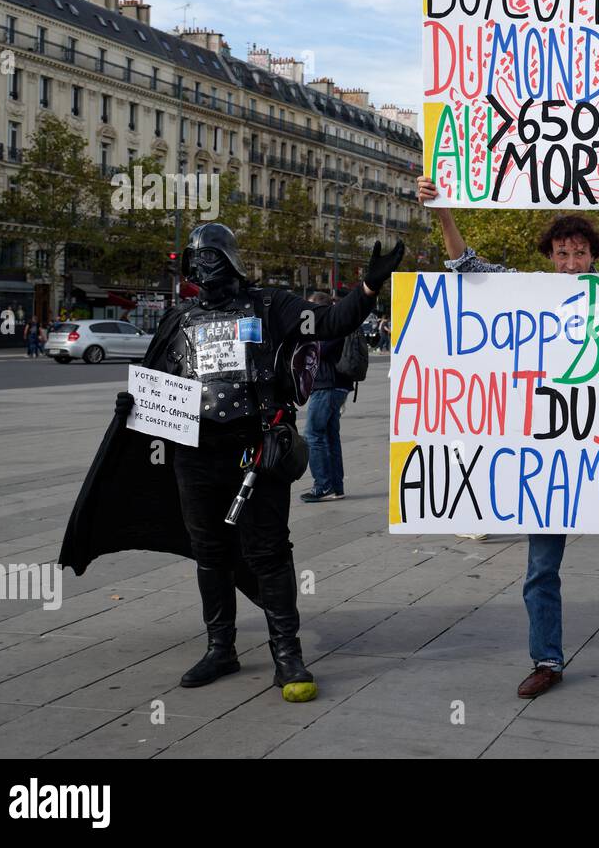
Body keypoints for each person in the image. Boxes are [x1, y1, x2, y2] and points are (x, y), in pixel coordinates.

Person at [62, 222, 403, 703]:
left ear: (231, 260)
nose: (204, 270)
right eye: (196, 263)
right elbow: (158, 381)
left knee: (267, 550)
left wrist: (368, 288)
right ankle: (220, 646)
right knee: (210, 552)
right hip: (193, 455)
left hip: (255, 451)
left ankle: (287, 653)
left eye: (212, 260)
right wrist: (132, 409)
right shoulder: (179, 319)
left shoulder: (271, 306)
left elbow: (328, 324)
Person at [417, 174, 599, 703]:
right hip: (548, 458)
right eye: (562, 254)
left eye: (580, 253)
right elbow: (466, 267)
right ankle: (546, 661)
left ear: (594, 255)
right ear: (549, 256)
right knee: (541, 569)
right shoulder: (525, 293)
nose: (570, 263)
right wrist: (444, 211)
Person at [300, 291, 352, 504]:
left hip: (327, 387)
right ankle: (335, 487)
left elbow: (317, 350)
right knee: (330, 437)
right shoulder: (334, 324)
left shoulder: (330, 326)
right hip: (333, 386)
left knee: (313, 435)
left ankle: (323, 486)